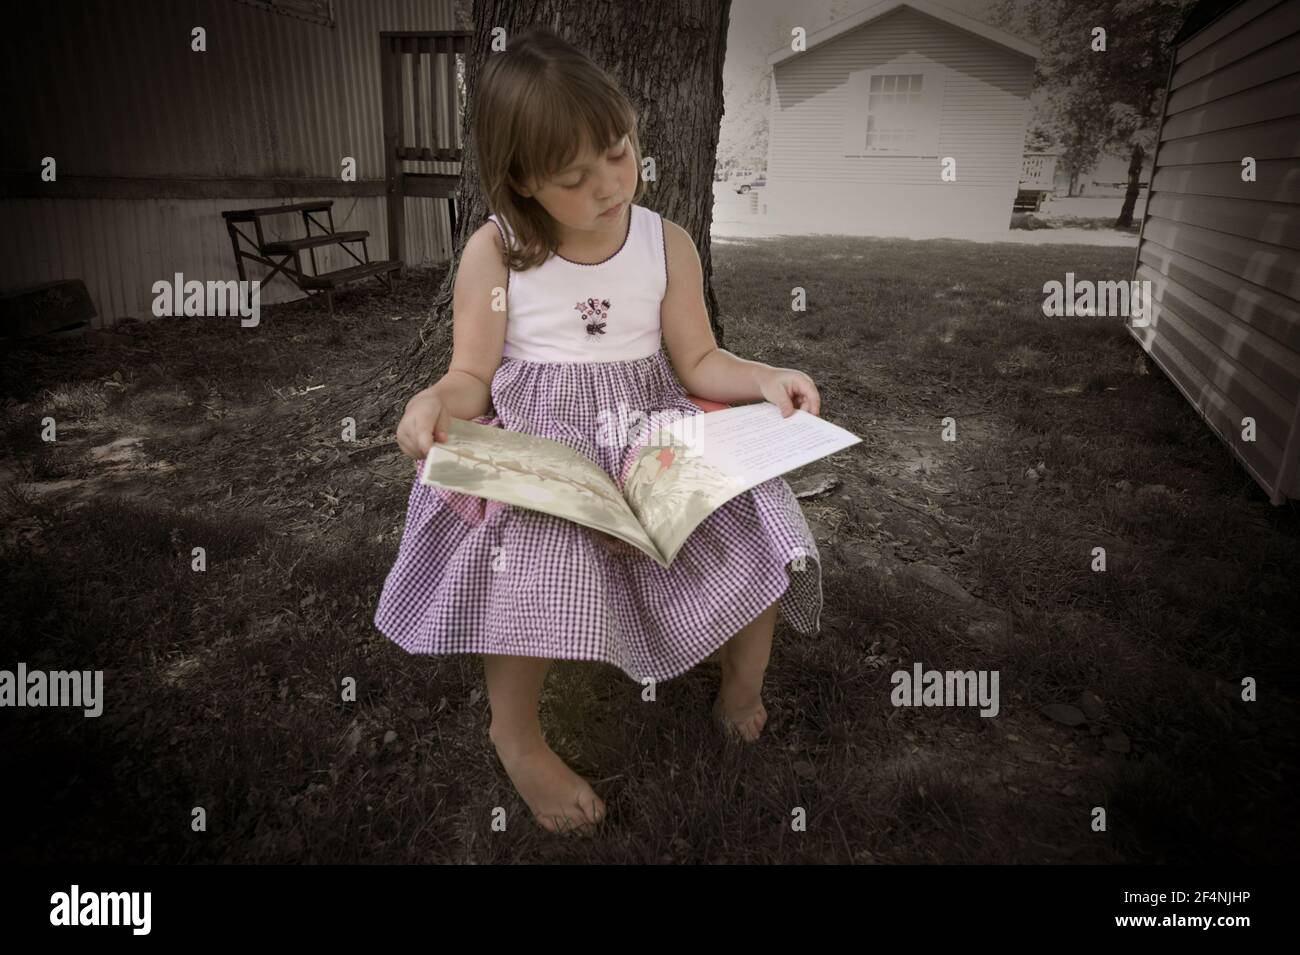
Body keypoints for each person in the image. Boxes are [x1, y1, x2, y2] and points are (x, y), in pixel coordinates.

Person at [373, 25, 824, 835]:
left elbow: (699, 358)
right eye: (575, 178)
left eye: (618, 153)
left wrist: (760, 379)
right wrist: (435, 401)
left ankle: (741, 686)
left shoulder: (665, 242)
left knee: (754, 515)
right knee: (530, 549)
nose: (610, 184)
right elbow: (472, 374)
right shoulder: (497, 254)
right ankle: (515, 733)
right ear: (522, 181)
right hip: (552, 448)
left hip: (649, 427)